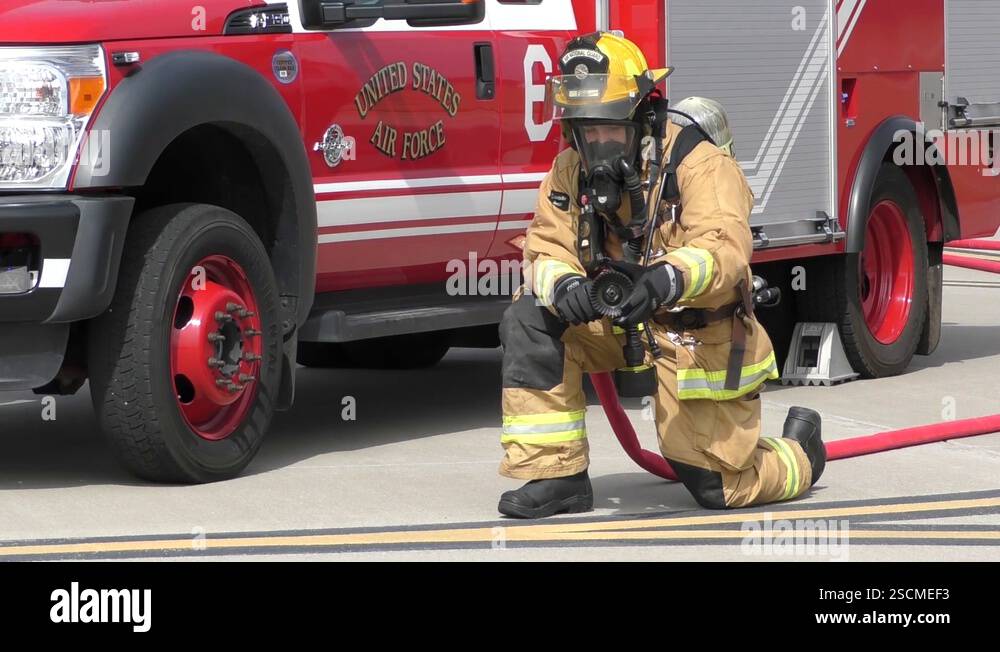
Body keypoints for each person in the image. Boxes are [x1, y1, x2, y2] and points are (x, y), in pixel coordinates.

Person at [496, 32, 826, 518]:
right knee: (528, 317)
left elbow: (725, 247)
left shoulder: (701, 164)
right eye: (587, 132)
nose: (599, 146)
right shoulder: (570, 169)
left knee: (717, 489)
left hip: (696, 335)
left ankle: (802, 453)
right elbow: (545, 243)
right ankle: (558, 476)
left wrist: (665, 280)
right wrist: (563, 284)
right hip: (617, 324)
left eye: (610, 130)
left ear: (643, 118)